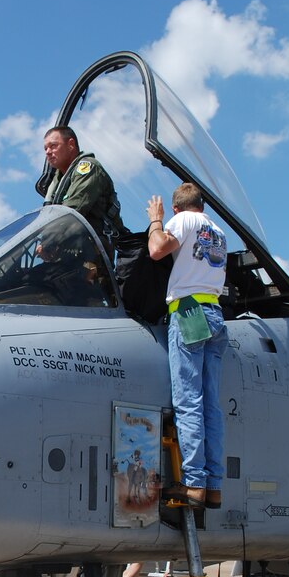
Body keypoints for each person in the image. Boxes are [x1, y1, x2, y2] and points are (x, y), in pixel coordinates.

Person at [147, 182, 228, 509]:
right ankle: (214, 486)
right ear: (202, 206)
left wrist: (156, 220)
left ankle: (193, 483)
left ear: (178, 208)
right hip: (216, 314)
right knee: (211, 403)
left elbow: (156, 250)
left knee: (188, 399)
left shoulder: (183, 221)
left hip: (189, 312)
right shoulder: (219, 231)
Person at [42, 126, 127, 259]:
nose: (48, 152)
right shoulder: (58, 180)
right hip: (70, 253)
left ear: (70, 145)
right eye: (45, 148)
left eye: (53, 146)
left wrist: (47, 242)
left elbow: (71, 211)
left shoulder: (88, 168)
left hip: (92, 256)